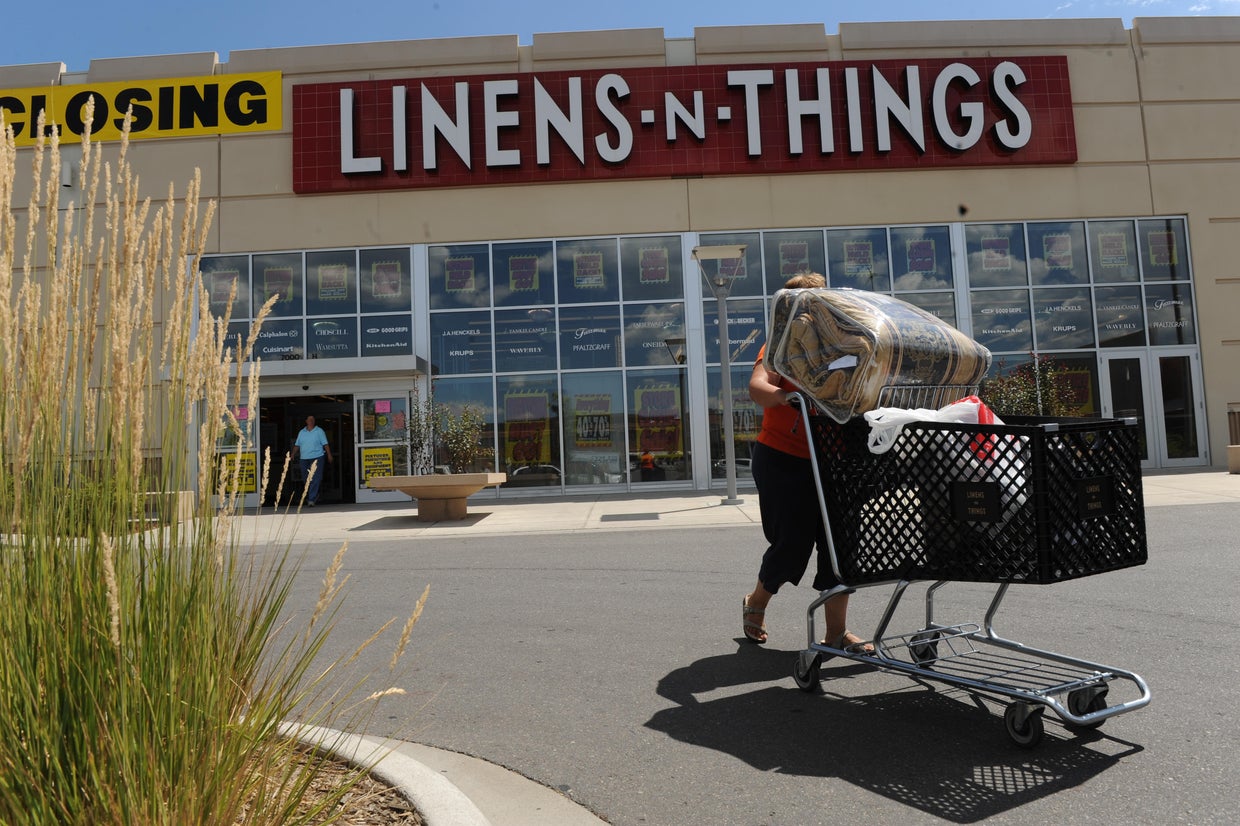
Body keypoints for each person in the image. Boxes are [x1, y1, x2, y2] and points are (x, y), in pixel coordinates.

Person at [741, 272, 873, 654]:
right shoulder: (780, 347)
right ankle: (757, 602)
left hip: (835, 459)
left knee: (839, 547)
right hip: (784, 457)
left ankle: (836, 633)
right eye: (799, 306)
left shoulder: (845, 347)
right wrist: (785, 398)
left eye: (815, 305)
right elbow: (758, 386)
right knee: (792, 544)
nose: (807, 314)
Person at [292, 415, 332, 506]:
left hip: (318, 457)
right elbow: (297, 444)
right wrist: (293, 454)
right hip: (304, 458)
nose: (311, 421)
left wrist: (329, 454)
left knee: (316, 478)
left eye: (313, 419)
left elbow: (325, 444)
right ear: (306, 421)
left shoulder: (319, 431)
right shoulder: (302, 432)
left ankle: (311, 499)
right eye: (309, 419)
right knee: (306, 479)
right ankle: (315, 493)